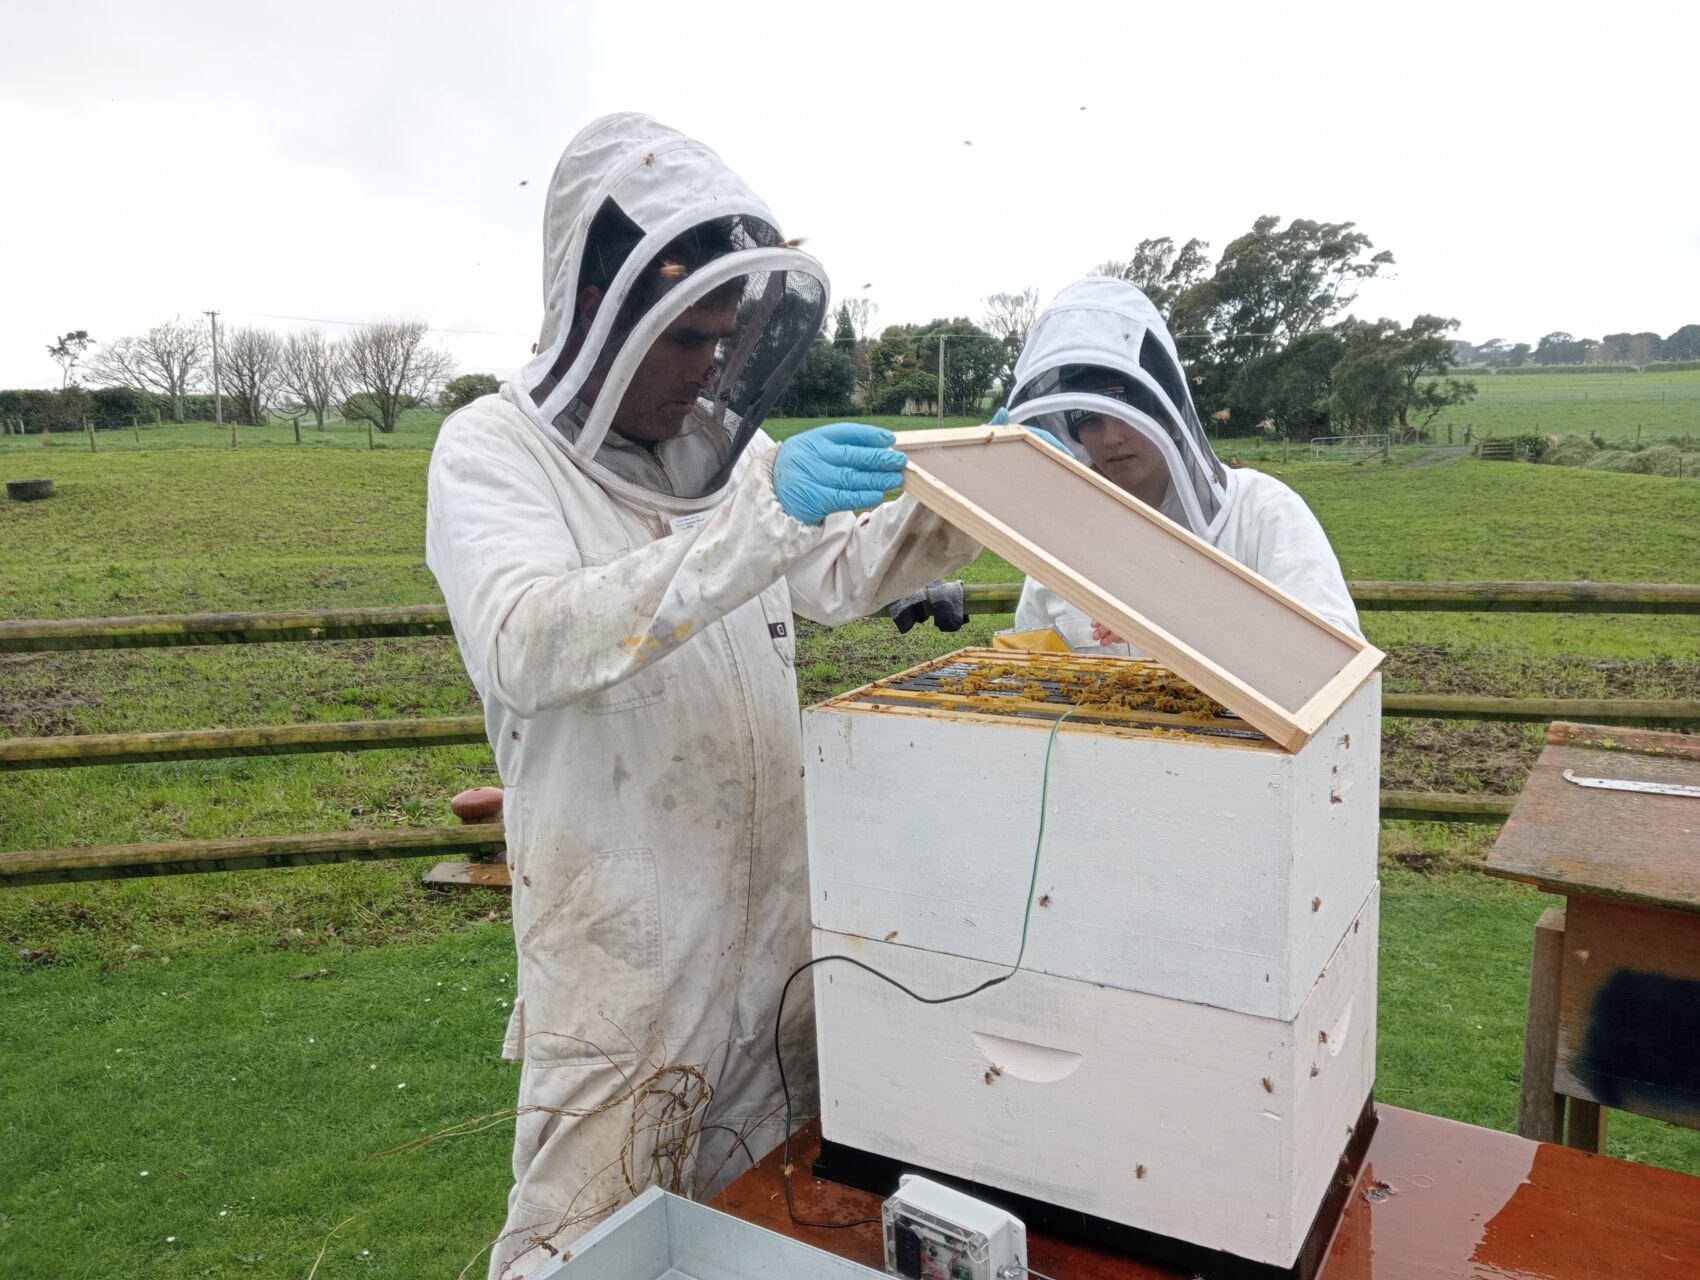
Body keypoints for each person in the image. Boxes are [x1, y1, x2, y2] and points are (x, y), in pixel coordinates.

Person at [424, 112, 980, 1278]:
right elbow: (528, 637)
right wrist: (764, 517)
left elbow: (831, 568)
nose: (703, 371)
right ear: (592, 314)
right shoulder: (491, 453)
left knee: (762, 1233)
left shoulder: (723, 451)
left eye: (719, 340)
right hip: (620, 963)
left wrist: (969, 503)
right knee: (580, 1250)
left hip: (777, 954)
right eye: (681, 339)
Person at [1005, 277, 1359, 652]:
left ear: (1170, 413)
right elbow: (1032, 662)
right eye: (1090, 419)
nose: (1111, 437)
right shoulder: (1061, 547)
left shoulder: (1264, 513)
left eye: (1127, 413)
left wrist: (1185, 623)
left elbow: (1336, 659)